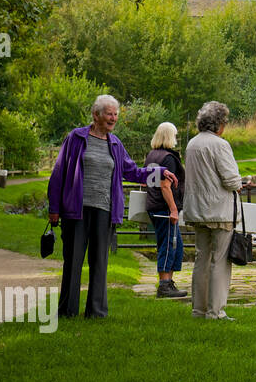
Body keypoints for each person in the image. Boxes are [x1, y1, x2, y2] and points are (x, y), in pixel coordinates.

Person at [47, 94, 176, 318]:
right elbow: (59, 173)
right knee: (73, 262)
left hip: (104, 211)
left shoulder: (115, 143)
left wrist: (157, 172)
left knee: (99, 263)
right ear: (96, 115)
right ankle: (67, 311)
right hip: (75, 211)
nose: (113, 118)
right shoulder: (76, 138)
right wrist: (54, 208)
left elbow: (132, 171)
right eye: (109, 113)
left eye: (115, 114)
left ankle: (96, 312)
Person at [183, 101, 244, 320]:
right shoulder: (220, 145)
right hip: (219, 210)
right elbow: (230, 180)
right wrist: (241, 182)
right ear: (219, 124)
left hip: (197, 210)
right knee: (219, 261)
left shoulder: (192, 144)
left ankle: (198, 309)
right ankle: (215, 311)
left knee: (201, 259)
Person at [145, 122, 187, 298]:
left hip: (153, 205)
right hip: (164, 207)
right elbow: (165, 185)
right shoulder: (168, 158)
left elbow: (145, 180)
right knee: (169, 245)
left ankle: (168, 282)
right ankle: (164, 285)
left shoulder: (151, 155)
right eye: (175, 135)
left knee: (175, 245)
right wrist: (173, 209)